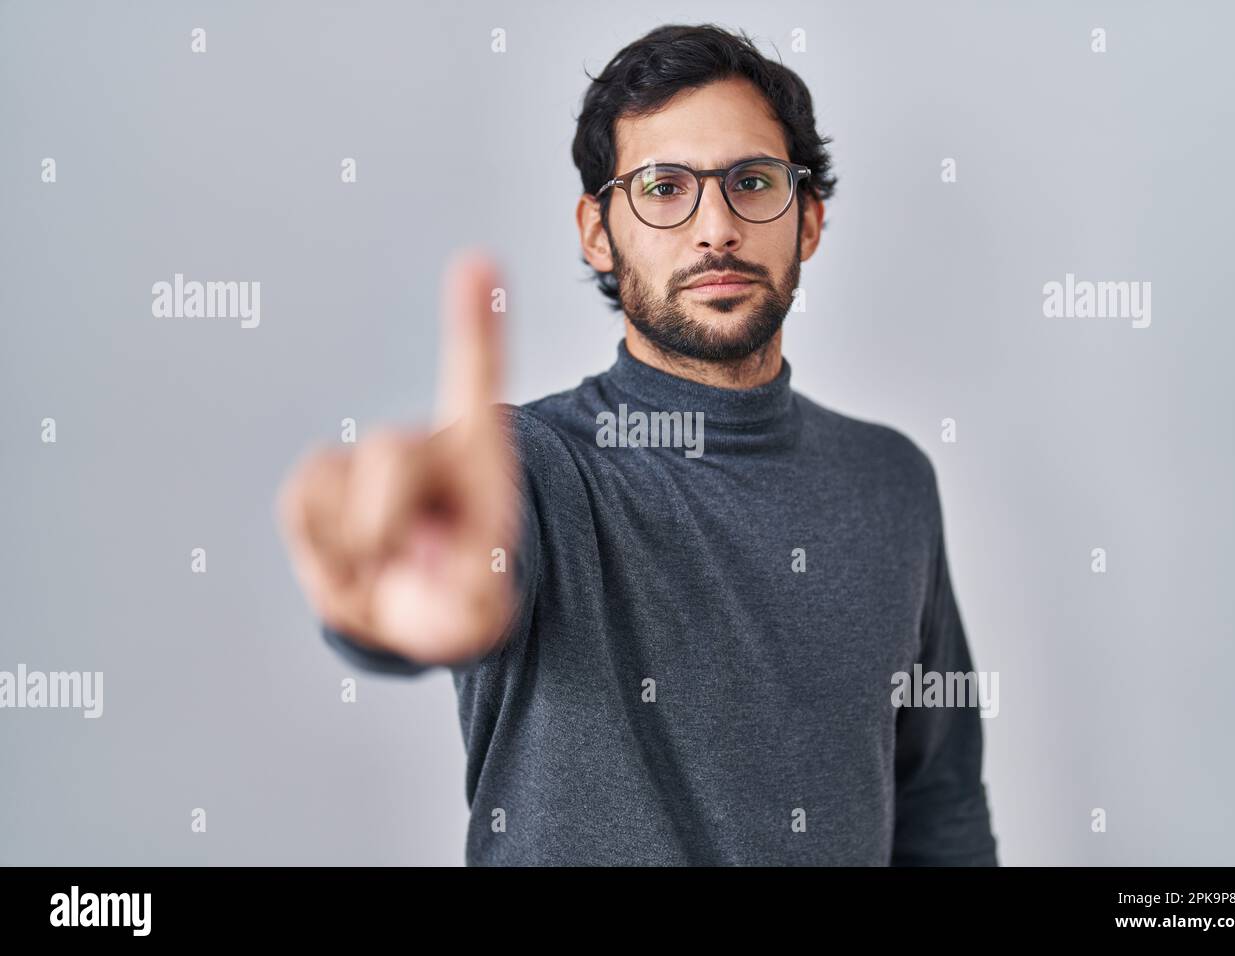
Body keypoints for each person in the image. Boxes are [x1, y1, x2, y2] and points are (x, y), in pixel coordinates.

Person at [276, 23, 997, 866]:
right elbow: (460, 552)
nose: (716, 228)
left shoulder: (890, 480)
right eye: (663, 188)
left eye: (753, 182)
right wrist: (389, 608)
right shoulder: (531, 467)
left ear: (808, 222)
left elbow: (938, 799)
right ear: (596, 231)